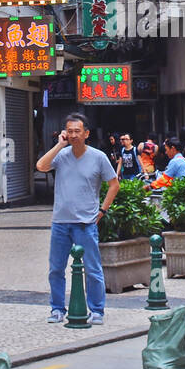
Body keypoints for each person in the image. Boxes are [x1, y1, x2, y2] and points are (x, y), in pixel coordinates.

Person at [35, 112, 119, 326]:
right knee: (56, 268)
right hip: (60, 223)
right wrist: (59, 145)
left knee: (93, 268)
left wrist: (103, 210)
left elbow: (114, 184)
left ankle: (97, 310)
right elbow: (41, 166)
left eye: (77, 131)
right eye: (69, 131)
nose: (73, 135)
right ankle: (56, 309)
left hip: (86, 223)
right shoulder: (61, 156)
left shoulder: (98, 157)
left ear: (86, 133)